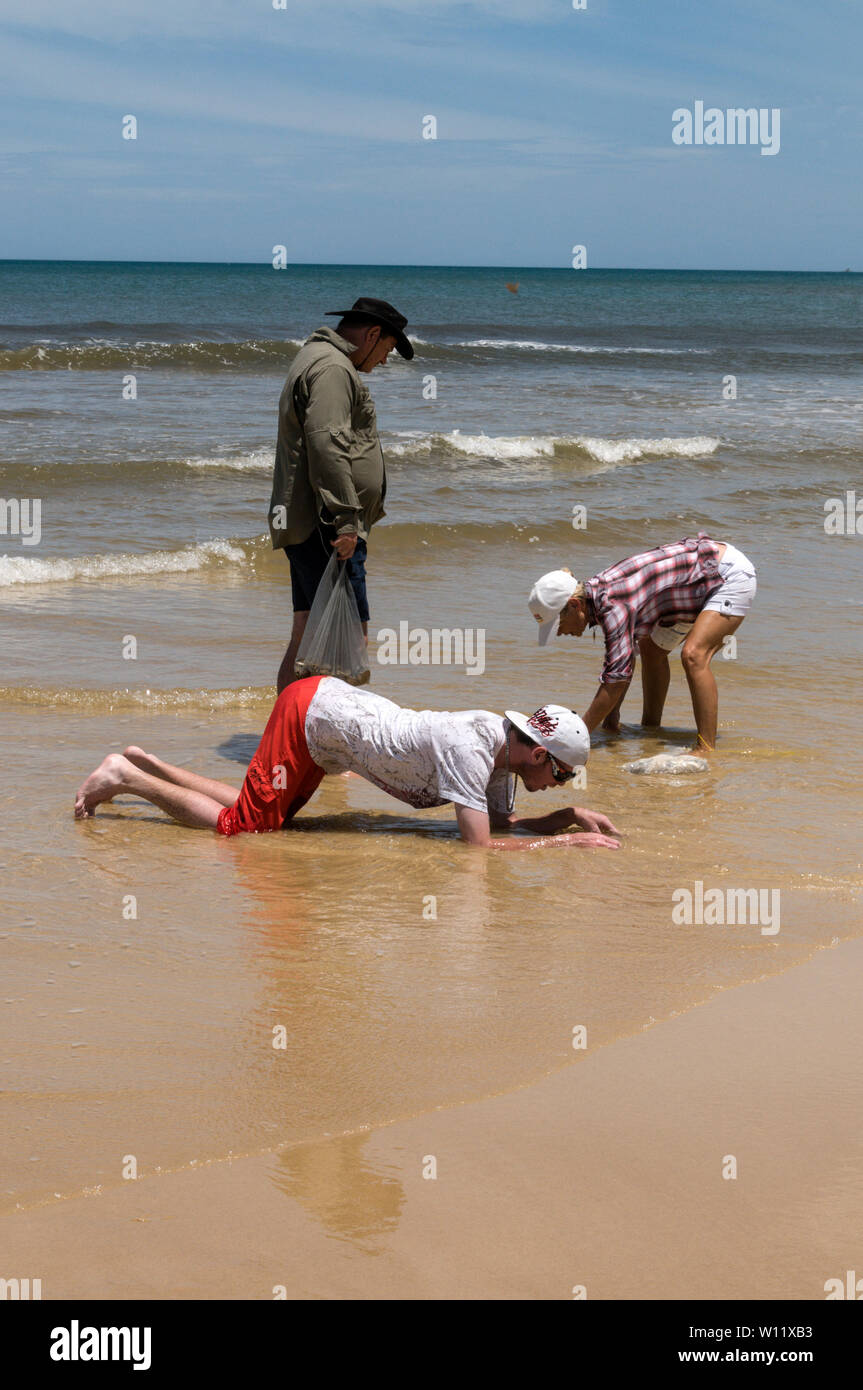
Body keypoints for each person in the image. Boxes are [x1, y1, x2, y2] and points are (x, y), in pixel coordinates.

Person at [74, 678, 620, 851]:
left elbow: (500, 826)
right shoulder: (470, 748)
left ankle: (147, 764)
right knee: (241, 829)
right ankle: (126, 779)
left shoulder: (505, 751)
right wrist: (562, 845)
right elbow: (479, 851)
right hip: (310, 717)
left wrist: (567, 815)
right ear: (541, 754)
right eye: (563, 777)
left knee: (264, 815)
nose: (558, 784)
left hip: (331, 720)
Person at [268, 297, 414, 694]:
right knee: (346, 643)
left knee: (307, 636)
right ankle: (321, 747)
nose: (384, 361)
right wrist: (347, 519)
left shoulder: (316, 358)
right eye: (386, 349)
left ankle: (289, 741)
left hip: (310, 520)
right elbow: (325, 444)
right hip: (327, 525)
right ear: (371, 335)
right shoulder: (333, 369)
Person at [528, 533, 756, 755]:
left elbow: (616, 681)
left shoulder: (613, 606)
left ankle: (706, 748)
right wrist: (611, 720)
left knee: (694, 655)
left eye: (557, 625)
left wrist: (575, 740)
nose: (559, 633)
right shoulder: (597, 596)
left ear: (575, 605)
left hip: (725, 574)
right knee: (651, 649)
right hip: (689, 584)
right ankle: (651, 730)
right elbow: (622, 661)